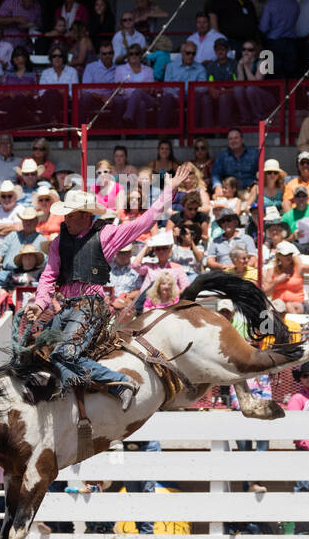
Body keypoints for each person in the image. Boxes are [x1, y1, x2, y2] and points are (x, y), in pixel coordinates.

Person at [23, 163, 196, 406]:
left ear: (85, 216)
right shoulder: (58, 242)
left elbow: (145, 222)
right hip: (67, 308)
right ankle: (73, 388)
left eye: (70, 215)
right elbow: (48, 277)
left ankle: (118, 382)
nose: (66, 220)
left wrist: (169, 191)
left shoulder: (106, 236)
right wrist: (40, 304)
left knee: (64, 353)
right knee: (37, 351)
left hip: (90, 308)